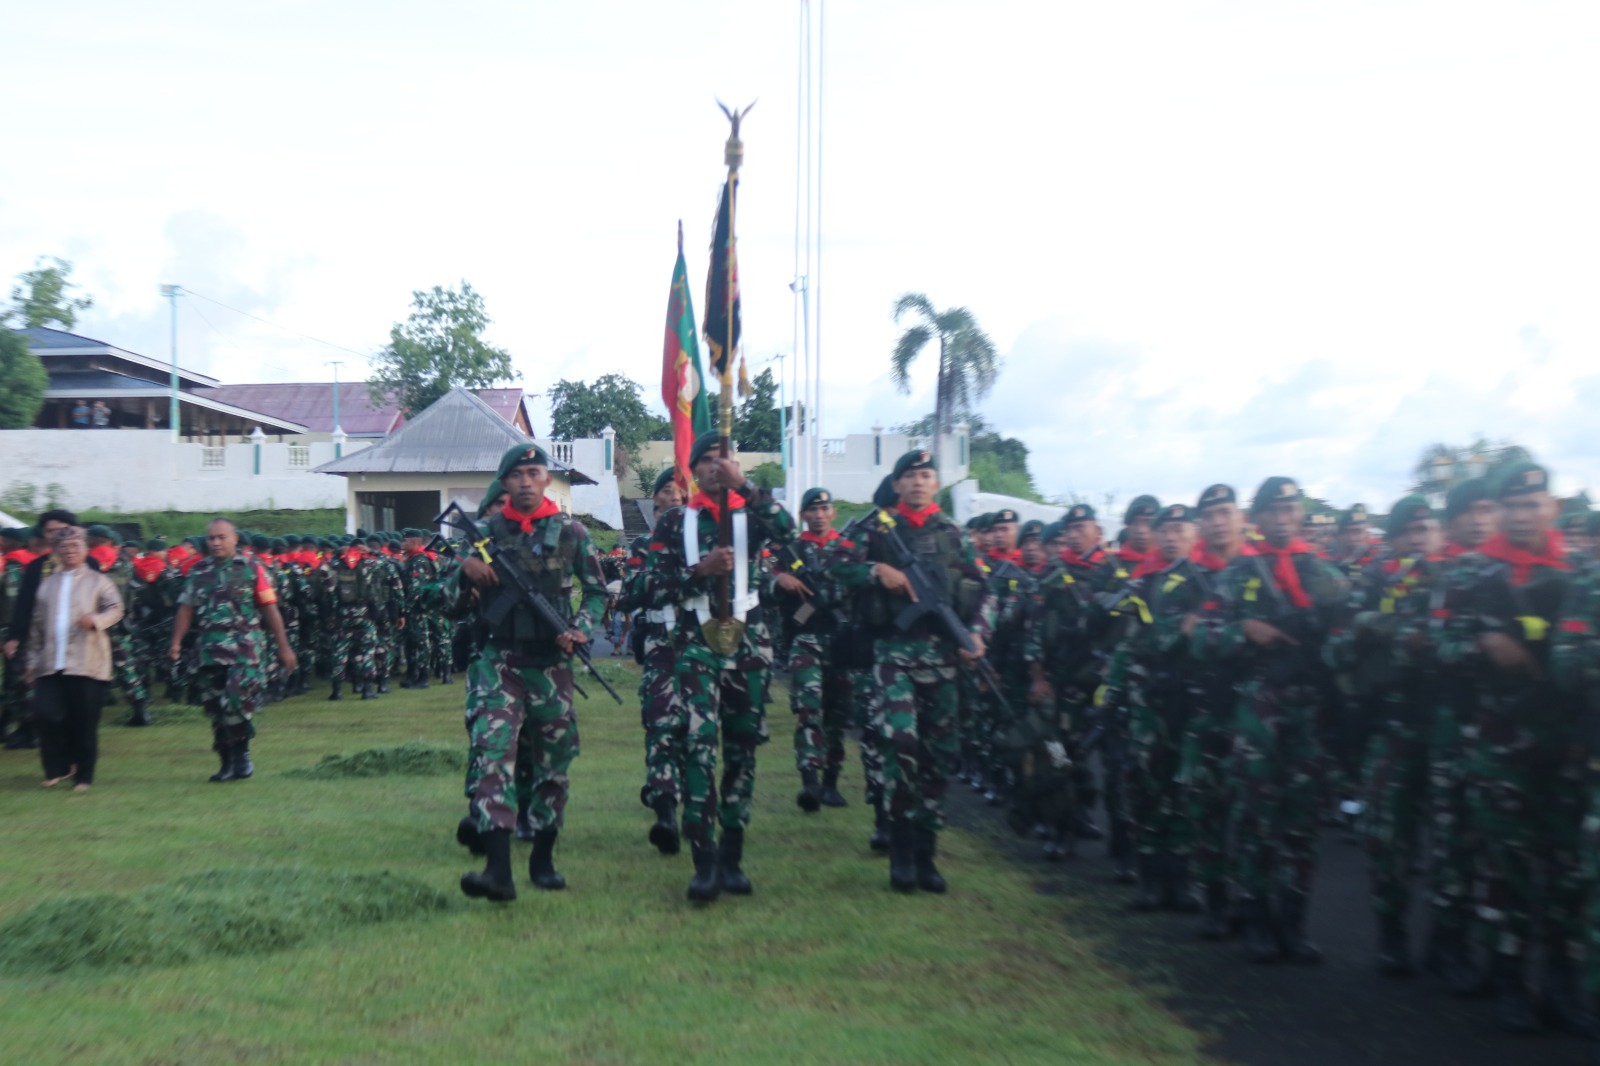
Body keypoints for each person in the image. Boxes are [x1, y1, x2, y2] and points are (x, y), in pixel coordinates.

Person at [1433, 462, 1585, 1034]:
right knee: (1506, 866)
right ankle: (1510, 977)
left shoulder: (1581, 574)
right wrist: (1484, 643)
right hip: (1500, 741)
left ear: (1552, 508)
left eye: (1532, 504)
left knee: (1570, 870)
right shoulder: (1470, 572)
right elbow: (1439, 647)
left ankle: (1563, 983)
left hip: (1568, 746)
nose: (1521, 516)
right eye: (1511, 506)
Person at [1195, 476, 1348, 965]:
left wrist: (1337, 646)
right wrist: (1246, 630)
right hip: (1257, 716)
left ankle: (1294, 925)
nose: (1283, 519)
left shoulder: (1325, 575)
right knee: (1257, 819)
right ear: (1257, 520)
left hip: (1311, 714)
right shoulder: (1239, 575)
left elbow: (1350, 638)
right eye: (1273, 511)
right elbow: (1203, 636)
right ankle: (1258, 917)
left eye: (1290, 509)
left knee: (1303, 823)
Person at [643, 432, 797, 901]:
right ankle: (704, 857)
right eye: (707, 460)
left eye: (724, 459)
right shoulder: (676, 522)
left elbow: (790, 533)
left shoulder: (752, 512)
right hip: (696, 645)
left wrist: (746, 488)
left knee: (743, 749)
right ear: (693, 471)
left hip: (749, 647)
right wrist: (700, 571)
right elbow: (652, 586)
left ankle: (733, 853)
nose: (716, 467)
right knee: (699, 746)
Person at [833, 449, 991, 893]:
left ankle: (926, 853)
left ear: (935, 484)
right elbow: (835, 566)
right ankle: (900, 850)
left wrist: (977, 634)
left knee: (938, 757)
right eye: (911, 475)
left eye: (926, 475)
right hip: (894, 657)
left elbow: (984, 592)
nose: (919, 481)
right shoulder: (875, 529)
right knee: (901, 745)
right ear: (897, 484)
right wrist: (875, 569)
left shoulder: (953, 534)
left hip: (943, 659)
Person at [456, 444, 607, 902]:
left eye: (534, 472)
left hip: (551, 665)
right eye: (517, 474)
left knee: (552, 764)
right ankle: (498, 871)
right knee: (494, 756)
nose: (525, 481)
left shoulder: (572, 532)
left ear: (546, 479)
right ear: (504, 483)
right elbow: (445, 600)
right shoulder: (483, 533)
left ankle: (542, 859)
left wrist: (581, 629)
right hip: (498, 661)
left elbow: (597, 591)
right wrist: (464, 571)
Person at [168, 518, 296, 783]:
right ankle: (226, 762)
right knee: (215, 708)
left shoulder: (252, 568)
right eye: (211, 538)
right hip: (210, 650)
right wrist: (176, 643)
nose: (215, 543)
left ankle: (242, 754)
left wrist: (284, 647)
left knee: (235, 701)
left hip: (244, 649)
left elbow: (270, 609)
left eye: (221, 537)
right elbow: (186, 608)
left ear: (234, 539)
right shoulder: (199, 571)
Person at [621, 468, 689, 854]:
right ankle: (665, 812)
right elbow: (629, 594)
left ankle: (692, 805)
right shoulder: (644, 545)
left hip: (699, 645)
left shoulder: (703, 538)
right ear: (655, 500)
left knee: (695, 732)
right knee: (660, 726)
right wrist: (665, 575)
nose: (675, 495)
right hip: (661, 646)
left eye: (681, 489)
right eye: (666, 490)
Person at [24, 526, 123, 792]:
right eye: (64, 547)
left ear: (85, 549)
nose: (70, 551)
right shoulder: (48, 585)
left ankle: (84, 776)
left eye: (75, 546)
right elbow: (36, 626)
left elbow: (116, 608)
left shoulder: (98, 580)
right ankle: (56, 767)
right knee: (46, 715)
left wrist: (96, 620)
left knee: (84, 721)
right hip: (50, 663)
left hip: (87, 663)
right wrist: (31, 662)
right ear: (56, 551)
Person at [775, 487, 853, 812]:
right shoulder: (792, 551)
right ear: (803, 515)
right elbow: (774, 591)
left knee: (837, 713)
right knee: (809, 708)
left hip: (842, 642)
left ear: (833, 512)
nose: (819, 515)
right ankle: (809, 780)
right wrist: (781, 579)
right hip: (805, 638)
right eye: (812, 510)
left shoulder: (849, 549)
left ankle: (831, 782)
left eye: (824, 509)